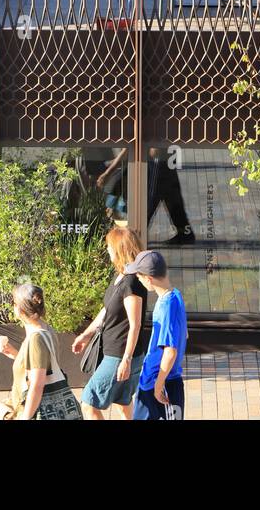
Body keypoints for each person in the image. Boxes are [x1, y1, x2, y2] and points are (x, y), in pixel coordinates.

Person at [73, 226, 148, 421]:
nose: (107, 250)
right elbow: (106, 310)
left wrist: (126, 360)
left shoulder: (132, 283)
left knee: (89, 402)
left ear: (120, 250)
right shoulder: (120, 277)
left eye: (109, 247)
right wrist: (86, 335)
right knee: (123, 404)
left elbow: (135, 325)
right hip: (116, 352)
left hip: (119, 355)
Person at [0, 283, 81, 421]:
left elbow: (37, 383)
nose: (13, 306)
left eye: (14, 302)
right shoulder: (46, 329)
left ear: (20, 309)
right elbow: (44, 365)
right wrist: (18, 356)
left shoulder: (35, 339)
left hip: (35, 410)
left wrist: (26, 417)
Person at [128, 251, 187, 421]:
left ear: (149, 279)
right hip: (149, 381)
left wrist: (158, 385)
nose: (138, 280)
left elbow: (170, 352)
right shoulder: (176, 295)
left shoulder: (166, 306)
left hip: (161, 384)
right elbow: (185, 335)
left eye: (139, 277)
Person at [147, 146, 195, 243]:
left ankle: (138, 234)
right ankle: (185, 233)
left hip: (160, 149)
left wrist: (155, 144)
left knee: (152, 194)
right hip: (164, 150)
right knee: (170, 193)